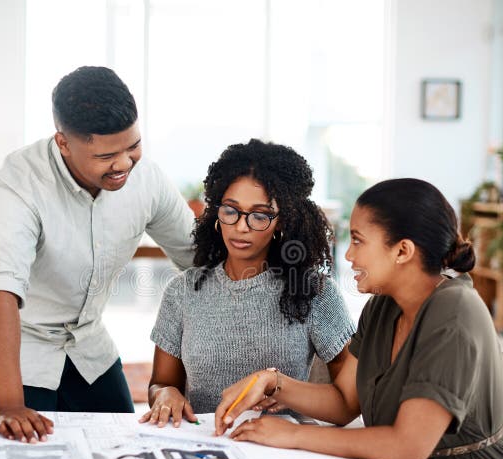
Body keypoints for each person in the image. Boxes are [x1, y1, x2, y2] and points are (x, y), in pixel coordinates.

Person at [214, 178, 503, 459]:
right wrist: (271, 382)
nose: (348, 255)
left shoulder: (454, 312)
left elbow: (406, 446)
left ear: (402, 250)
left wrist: (291, 435)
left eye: (357, 240)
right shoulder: (382, 307)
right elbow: (344, 403)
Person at [0, 66, 195, 443]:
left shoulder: (147, 179)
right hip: (16, 338)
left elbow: (199, 256)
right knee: (31, 447)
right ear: (63, 143)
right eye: (106, 155)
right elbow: (0, 298)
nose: (124, 164)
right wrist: (10, 408)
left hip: (85, 340)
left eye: (133, 146)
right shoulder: (16, 186)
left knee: (122, 441)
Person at [139, 139, 355, 427]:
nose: (241, 227)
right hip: (206, 443)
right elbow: (162, 383)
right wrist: (165, 394)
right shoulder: (183, 291)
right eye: (231, 211)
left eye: (260, 215)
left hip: (282, 446)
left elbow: (348, 404)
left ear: (282, 220)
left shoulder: (315, 292)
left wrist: (280, 386)